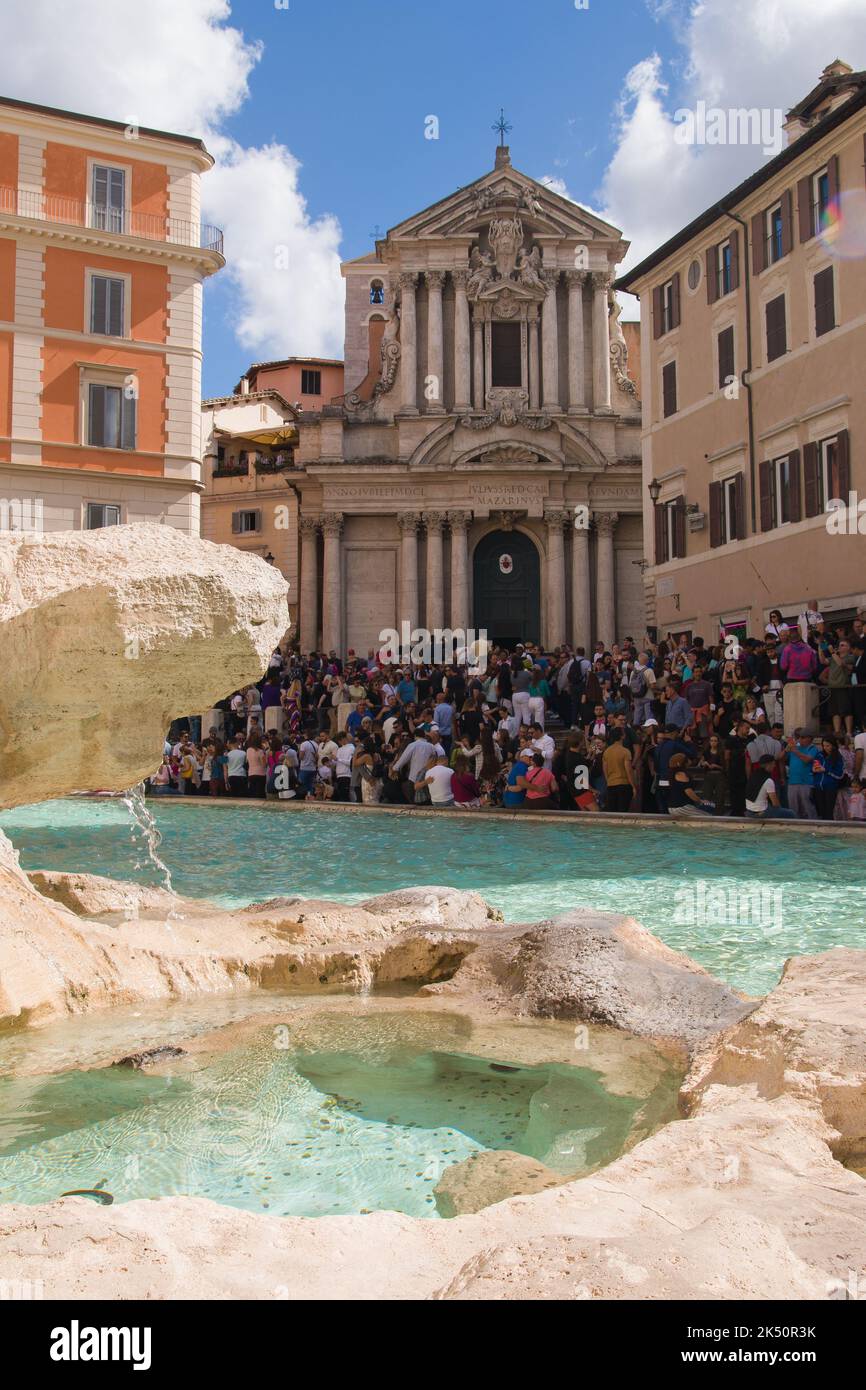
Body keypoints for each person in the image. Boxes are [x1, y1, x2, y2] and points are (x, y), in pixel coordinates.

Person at [601, 727, 635, 812]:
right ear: (622, 736)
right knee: (623, 812)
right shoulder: (625, 751)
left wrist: (609, 781)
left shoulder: (607, 751)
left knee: (612, 812)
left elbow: (605, 769)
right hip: (624, 785)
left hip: (611, 785)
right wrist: (633, 786)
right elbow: (628, 770)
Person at [812, 736, 845, 820]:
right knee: (820, 812)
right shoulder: (819, 755)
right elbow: (813, 767)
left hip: (830, 788)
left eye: (828, 746)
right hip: (818, 787)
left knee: (829, 812)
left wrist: (826, 770)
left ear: (833, 746)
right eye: (824, 745)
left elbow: (840, 774)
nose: (825, 748)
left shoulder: (838, 757)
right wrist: (813, 769)